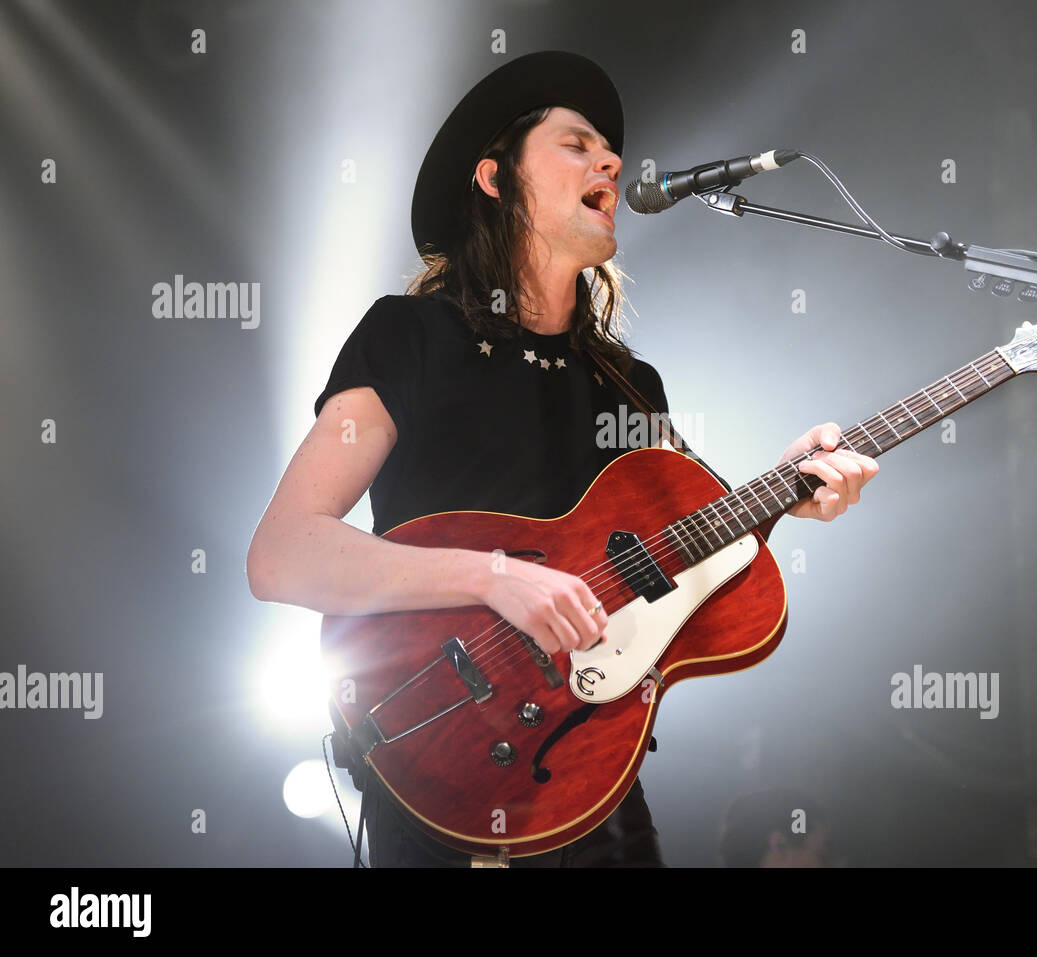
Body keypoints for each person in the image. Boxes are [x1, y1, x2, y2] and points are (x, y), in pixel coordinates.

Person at [246, 51, 880, 867]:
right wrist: (495, 575)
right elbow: (282, 552)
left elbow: (700, 555)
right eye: (576, 144)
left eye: (608, 150)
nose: (610, 160)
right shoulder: (411, 338)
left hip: (594, 776)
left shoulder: (627, 382)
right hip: (443, 759)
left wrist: (789, 488)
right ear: (494, 179)